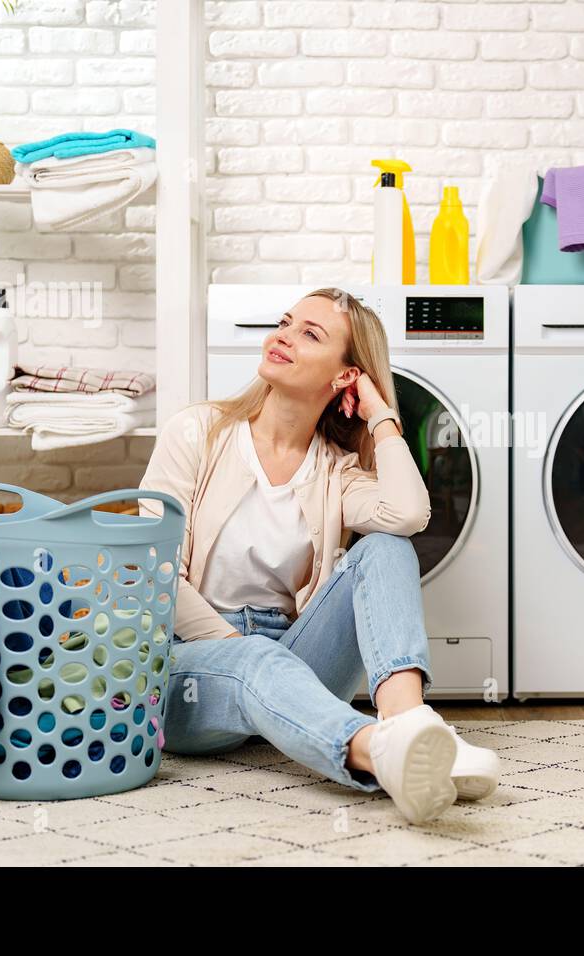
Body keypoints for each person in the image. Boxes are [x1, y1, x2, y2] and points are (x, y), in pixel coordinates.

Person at [138, 287, 499, 824]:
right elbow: (155, 571)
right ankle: (380, 753)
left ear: (344, 376)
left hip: (295, 655)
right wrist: (241, 649)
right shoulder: (198, 431)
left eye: (310, 334)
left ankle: (406, 719)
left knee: (385, 548)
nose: (284, 335)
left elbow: (407, 514)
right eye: (285, 322)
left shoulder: (336, 469)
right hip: (189, 666)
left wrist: (380, 412)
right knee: (253, 659)